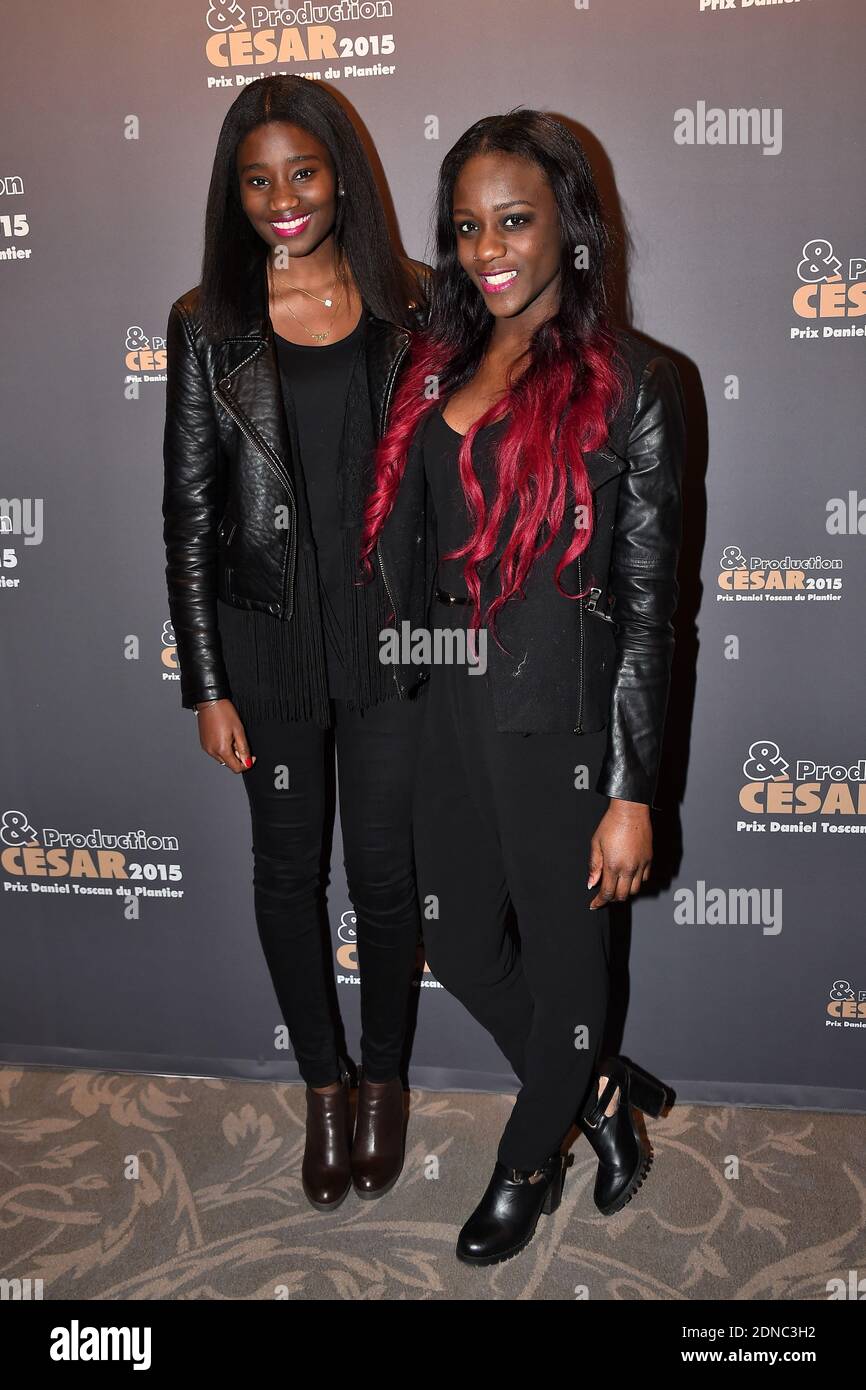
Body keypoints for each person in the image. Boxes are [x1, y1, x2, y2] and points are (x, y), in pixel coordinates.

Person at [360, 109, 685, 1264]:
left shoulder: (634, 385)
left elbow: (650, 608)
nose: (486, 248)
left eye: (513, 221)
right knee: (452, 937)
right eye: (465, 227)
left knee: (564, 960)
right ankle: (597, 1085)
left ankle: (525, 1159)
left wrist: (632, 789)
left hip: (561, 724)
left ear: (570, 231)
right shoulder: (438, 359)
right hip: (444, 698)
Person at [162, 74, 432, 1213]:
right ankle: (320, 1091)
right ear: (237, 192)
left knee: (381, 876)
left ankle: (382, 1087)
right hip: (264, 648)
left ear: (341, 177)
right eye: (258, 179)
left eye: (303, 173)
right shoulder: (207, 325)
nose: (283, 198)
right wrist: (204, 684)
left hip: (381, 645)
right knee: (287, 873)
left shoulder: (411, 305)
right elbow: (186, 510)